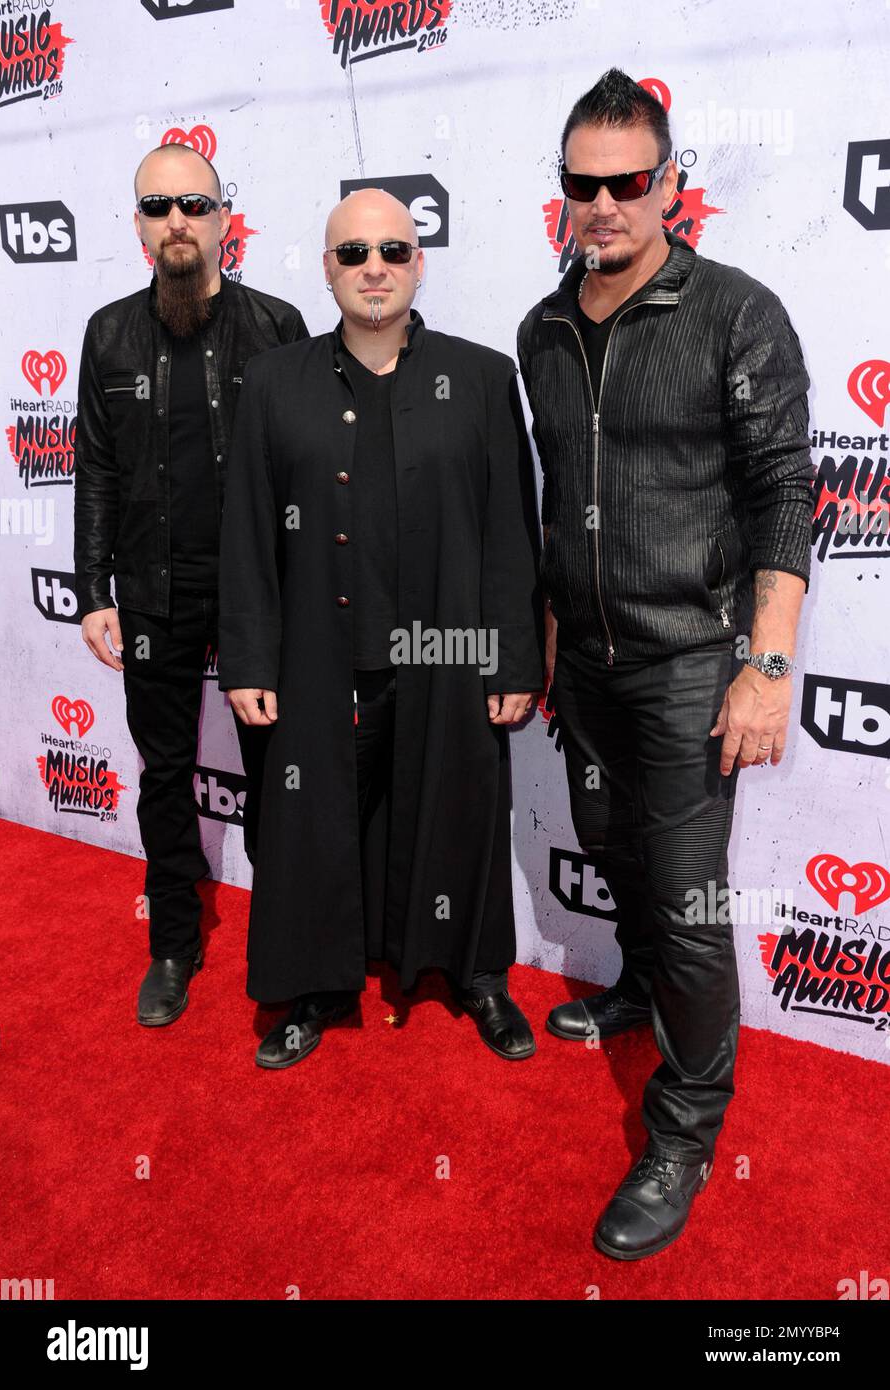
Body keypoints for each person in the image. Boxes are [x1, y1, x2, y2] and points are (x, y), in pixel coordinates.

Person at [517, 69, 815, 1259]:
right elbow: (551, 502)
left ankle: (684, 1131)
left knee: (691, 905)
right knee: (607, 847)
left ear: (669, 184)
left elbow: (785, 496)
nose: (603, 204)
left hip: (694, 664)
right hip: (580, 663)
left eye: (625, 181)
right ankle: (635, 992)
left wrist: (768, 667)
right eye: (582, 184)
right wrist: (544, 638)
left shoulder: (735, 312)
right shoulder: (542, 329)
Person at [217, 187, 544, 1069]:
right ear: (326, 269)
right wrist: (247, 652)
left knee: (462, 815)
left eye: (392, 251)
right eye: (353, 254)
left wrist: (514, 655)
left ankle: (475, 973)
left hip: (449, 658)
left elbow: (512, 531)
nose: (374, 269)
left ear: (418, 263)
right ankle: (315, 987)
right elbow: (246, 530)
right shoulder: (275, 383)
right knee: (308, 826)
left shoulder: (478, 379)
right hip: (319, 663)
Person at [74, 142, 309, 1028]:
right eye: (158, 205)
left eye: (194, 204)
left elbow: (308, 465)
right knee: (165, 775)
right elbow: (93, 466)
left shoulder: (277, 325)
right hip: (150, 592)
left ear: (224, 219)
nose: (178, 219)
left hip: (260, 594)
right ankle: (174, 939)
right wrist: (93, 587)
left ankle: (284, 946)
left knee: (274, 775)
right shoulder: (109, 333)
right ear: (138, 225)